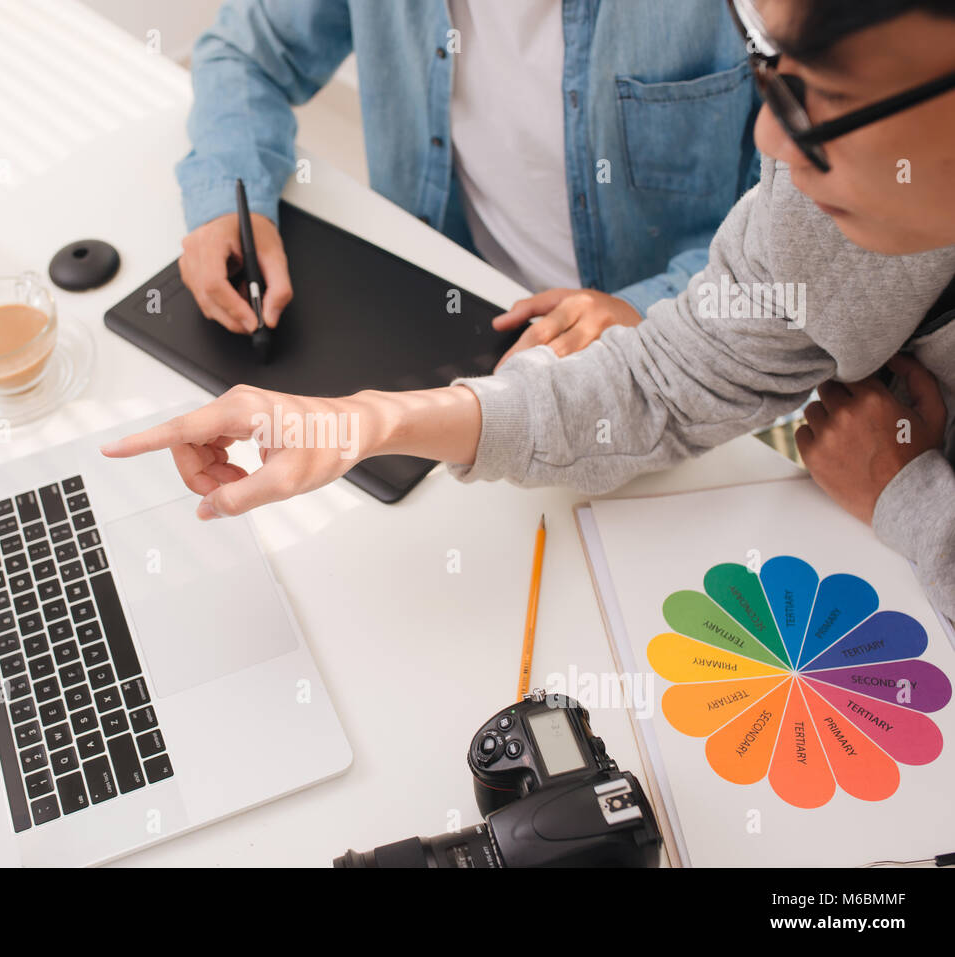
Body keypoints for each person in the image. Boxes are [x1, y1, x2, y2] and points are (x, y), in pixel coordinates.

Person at [103, 0, 955, 619]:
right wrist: (367, 422)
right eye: (766, 65)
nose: (773, 142)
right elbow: (667, 379)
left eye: (822, 106)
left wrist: (914, 502)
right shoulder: (822, 210)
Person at [175, 0, 761, 360]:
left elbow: (809, 226)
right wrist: (231, 191)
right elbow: (244, 53)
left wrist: (648, 311)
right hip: (445, 323)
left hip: (682, 353)